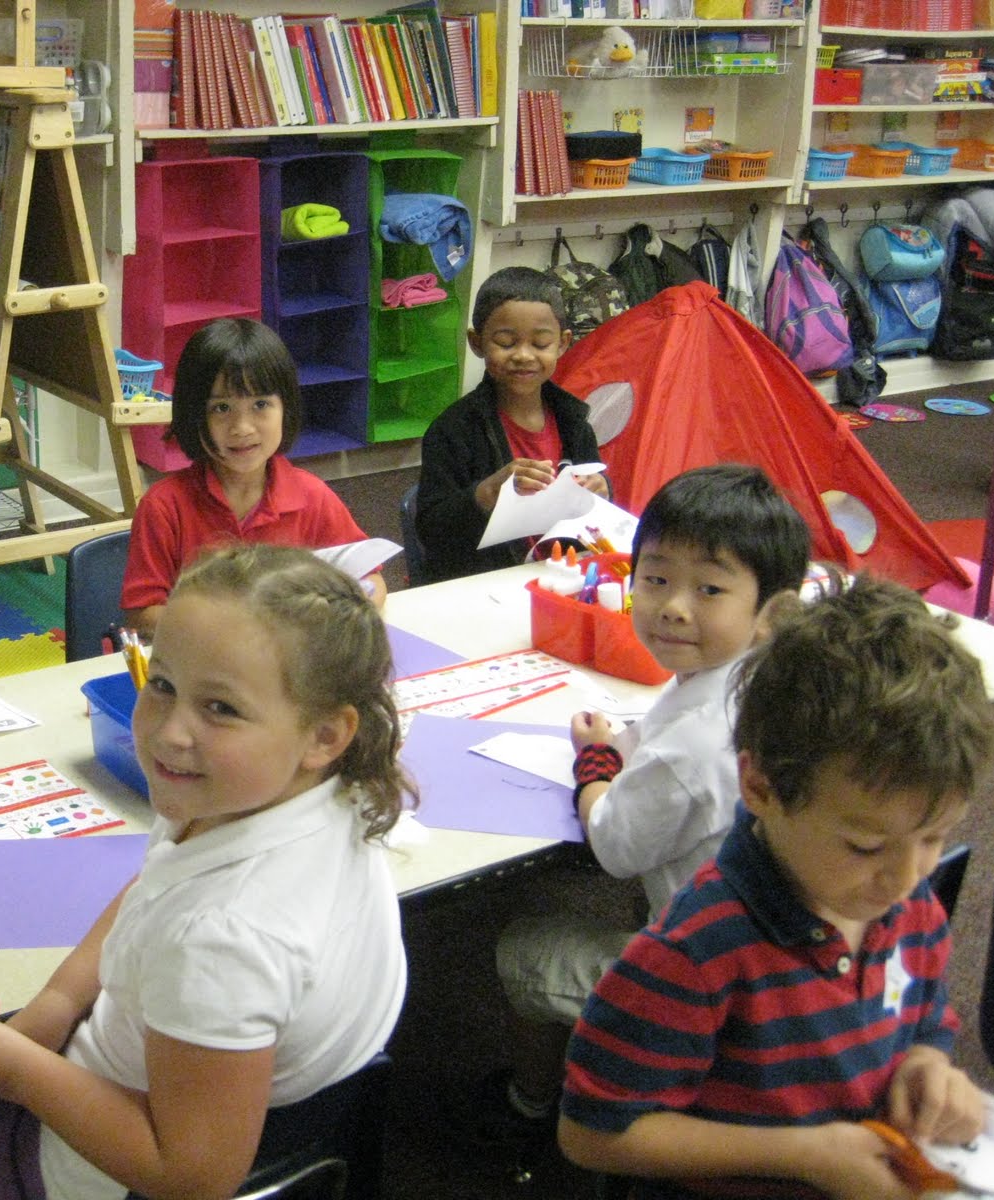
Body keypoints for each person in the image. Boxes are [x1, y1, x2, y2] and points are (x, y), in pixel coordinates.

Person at [0, 543, 411, 1200]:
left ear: (324, 734)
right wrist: (58, 1002)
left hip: (100, 1165)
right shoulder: (300, 791)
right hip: (196, 1083)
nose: (170, 732)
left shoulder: (222, 937)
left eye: (221, 708)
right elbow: (159, 882)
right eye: (164, 684)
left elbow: (191, 1176)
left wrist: (12, 1068)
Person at [560, 574, 994, 1200]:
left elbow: (923, 1018)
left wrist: (927, 1064)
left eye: (934, 837)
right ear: (762, 789)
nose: (907, 877)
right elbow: (592, 1132)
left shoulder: (908, 904)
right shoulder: (695, 952)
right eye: (866, 845)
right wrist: (805, 1155)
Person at [472, 464, 811, 1150]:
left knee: (521, 950)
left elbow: (615, 847)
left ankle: (529, 1103)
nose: (672, 606)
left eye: (708, 589)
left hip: (714, 991)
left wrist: (596, 766)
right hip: (779, 947)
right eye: (654, 578)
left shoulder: (691, 749)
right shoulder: (764, 682)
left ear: (771, 614)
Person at [120, 318, 384, 639]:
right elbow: (142, 613)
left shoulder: (312, 496)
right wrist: (233, 627)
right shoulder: (164, 506)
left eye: (261, 404)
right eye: (221, 408)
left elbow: (370, 579)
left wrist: (354, 612)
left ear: (286, 407)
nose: (242, 428)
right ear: (193, 414)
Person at [415, 266, 609, 584]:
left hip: (563, 575)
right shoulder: (453, 430)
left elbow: (596, 510)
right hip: (487, 582)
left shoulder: (574, 423)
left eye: (540, 344)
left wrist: (602, 490)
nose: (523, 355)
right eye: (506, 343)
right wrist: (487, 493)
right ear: (477, 342)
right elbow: (432, 530)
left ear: (562, 343)